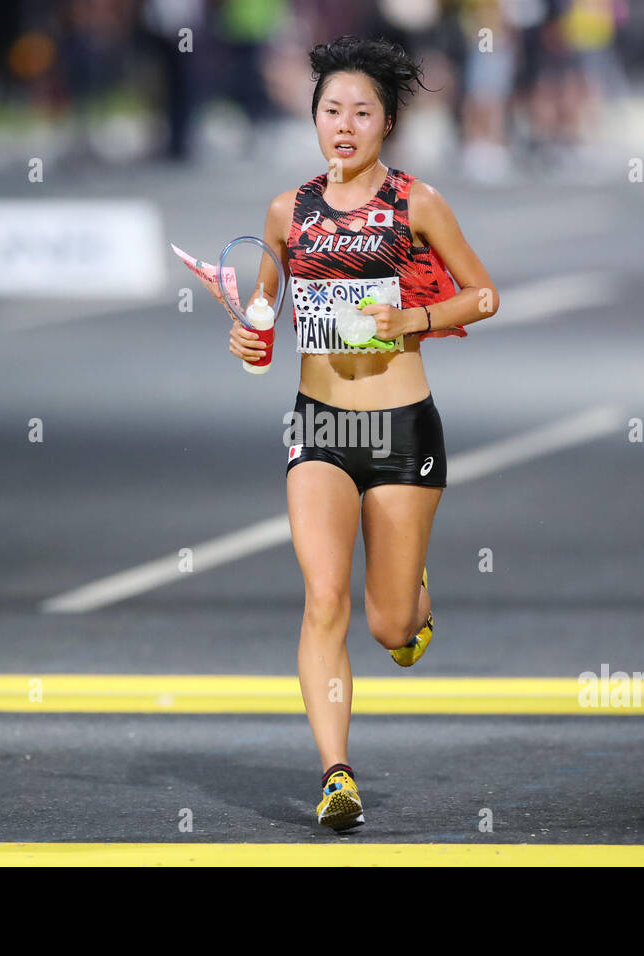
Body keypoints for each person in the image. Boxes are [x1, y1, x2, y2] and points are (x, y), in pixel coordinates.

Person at [218, 34, 499, 831]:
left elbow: (483, 297)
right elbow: (268, 318)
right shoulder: (286, 212)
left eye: (361, 112)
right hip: (317, 426)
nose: (344, 124)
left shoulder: (418, 204)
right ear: (314, 119)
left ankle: (412, 607)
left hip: (404, 428)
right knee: (321, 597)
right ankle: (336, 774)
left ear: (386, 125)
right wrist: (248, 337)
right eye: (331, 110)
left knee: (388, 624)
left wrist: (412, 315)